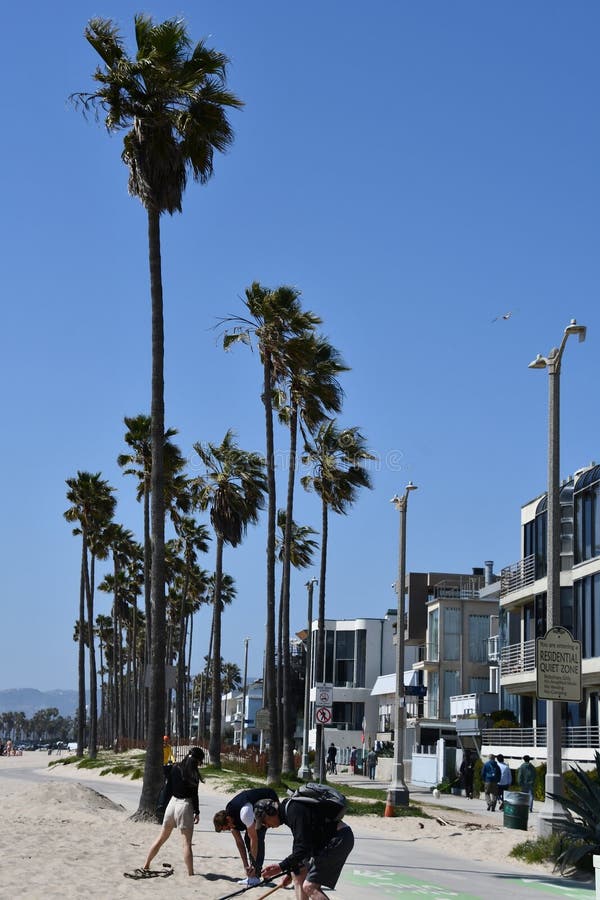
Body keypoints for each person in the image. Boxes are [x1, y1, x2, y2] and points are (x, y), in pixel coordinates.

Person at [255, 796, 354, 900]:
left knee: (310, 887)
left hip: (338, 839)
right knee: (298, 874)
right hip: (334, 839)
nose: (265, 825)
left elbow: (303, 848)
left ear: (271, 812)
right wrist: (289, 872)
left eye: (264, 821)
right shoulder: (290, 811)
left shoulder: (294, 811)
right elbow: (300, 844)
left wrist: (281, 867)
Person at [143, 746, 204, 876]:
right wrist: (197, 812)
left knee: (161, 838)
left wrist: (162, 804)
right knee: (186, 844)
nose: (200, 764)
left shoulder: (175, 768)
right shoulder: (193, 774)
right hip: (185, 806)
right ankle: (191, 873)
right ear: (197, 760)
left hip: (172, 804)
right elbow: (194, 795)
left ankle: (147, 863)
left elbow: (168, 788)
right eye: (201, 762)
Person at [213, 787, 278, 886]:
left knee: (256, 836)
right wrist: (246, 866)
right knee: (247, 838)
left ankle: (255, 876)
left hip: (268, 800)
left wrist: (253, 865)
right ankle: (252, 875)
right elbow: (239, 843)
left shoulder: (244, 813)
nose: (228, 829)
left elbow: (254, 839)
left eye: (226, 828)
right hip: (254, 808)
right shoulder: (230, 821)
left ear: (228, 819)